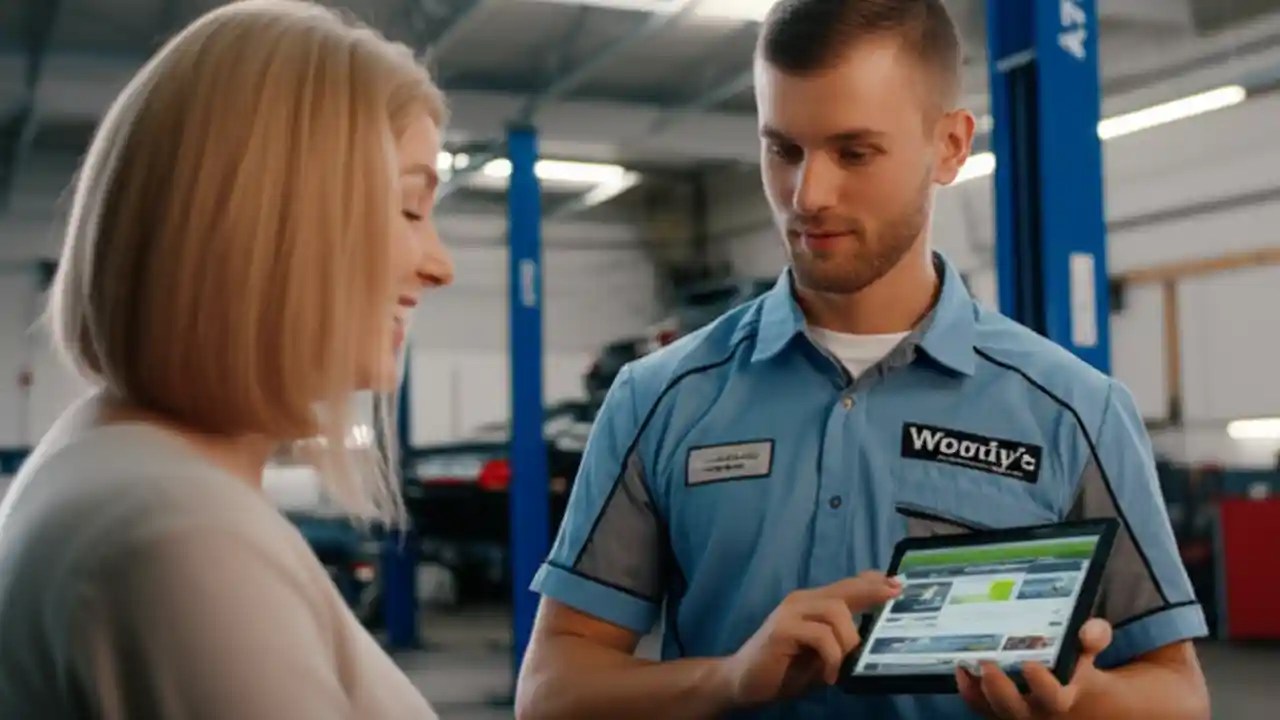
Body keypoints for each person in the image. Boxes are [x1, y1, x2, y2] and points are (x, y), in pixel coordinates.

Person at [515, 1, 1211, 719]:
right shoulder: (660, 398)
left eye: (854, 153)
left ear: (950, 146)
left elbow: (1178, 695)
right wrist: (728, 679)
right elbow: (550, 693)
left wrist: (1084, 702)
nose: (807, 196)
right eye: (784, 150)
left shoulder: (1074, 412)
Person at [0, 1, 453, 717]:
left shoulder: (108, 467)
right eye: (407, 208)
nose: (439, 265)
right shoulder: (182, 537)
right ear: (270, 219)